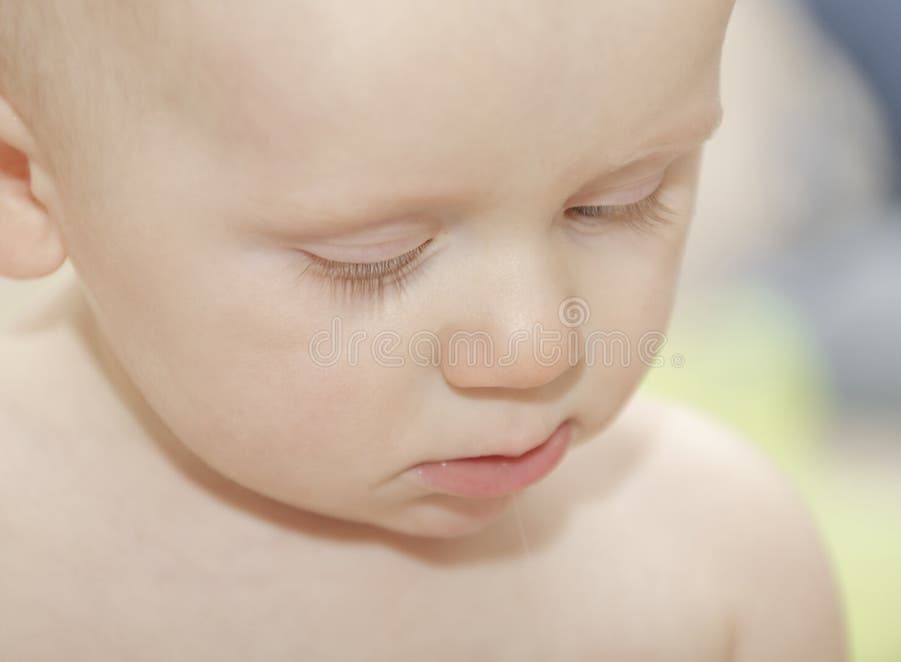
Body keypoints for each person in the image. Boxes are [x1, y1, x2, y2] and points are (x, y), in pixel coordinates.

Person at [0, 1, 846, 659]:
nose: (535, 348)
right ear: (27, 184)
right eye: (374, 257)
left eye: (617, 201)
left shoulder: (721, 578)